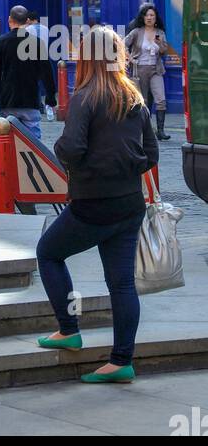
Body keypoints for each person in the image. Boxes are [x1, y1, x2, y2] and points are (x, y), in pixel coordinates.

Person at [36, 25, 159, 384]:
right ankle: (121, 360)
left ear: (86, 57)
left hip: (92, 202)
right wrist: (126, 167)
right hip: (129, 203)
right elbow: (150, 153)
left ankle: (68, 328)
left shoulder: (86, 96)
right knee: (121, 284)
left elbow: (71, 148)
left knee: (48, 252)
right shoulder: (133, 95)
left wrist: (66, 157)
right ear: (118, 54)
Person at [0, 4, 56, 144]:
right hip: (30, 100)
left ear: (9, 20)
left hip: (8, 101)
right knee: (34, 145)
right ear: (27, 21)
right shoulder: (37, 43)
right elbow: (47, 72)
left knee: (9, 142)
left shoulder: (0, 43)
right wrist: (50, 98)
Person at [124, 5, 171, 141]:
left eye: (152, 15)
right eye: (147, 15)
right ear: (143, 17)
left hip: (156, 69)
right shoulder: (137, 32)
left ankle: (160, 131)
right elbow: (122, 44)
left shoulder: (160, 33)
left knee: (161, 99)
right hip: (140, 70)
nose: (149, 18)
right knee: (142, 101)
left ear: (156, 18)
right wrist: (130, 58)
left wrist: (161, 43)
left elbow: (164, 51)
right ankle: (145, 130)